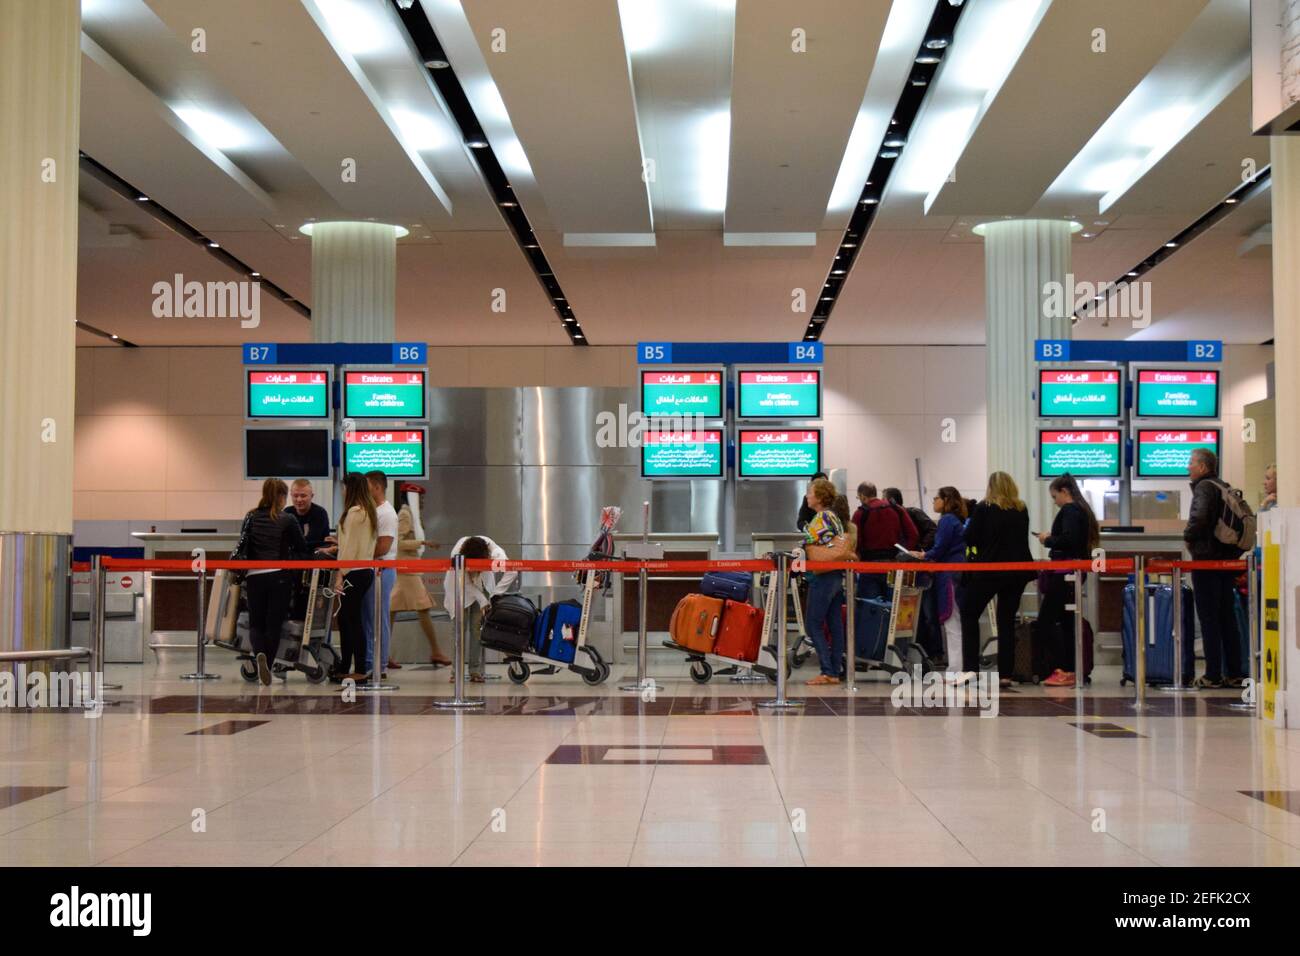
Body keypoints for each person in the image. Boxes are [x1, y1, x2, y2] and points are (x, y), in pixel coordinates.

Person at [959, 471, 1035, 688]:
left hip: (990, 570)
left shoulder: (985, 507)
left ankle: (971, 669)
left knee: (969, 612)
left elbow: (970, 537)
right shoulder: (1021, 509)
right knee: (1006, 620)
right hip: (1018, 571)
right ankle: (1006, 674)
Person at [239, 478, 313, 685]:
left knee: (256, 623)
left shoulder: (251, 516)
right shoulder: (287, 519)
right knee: (273, 625)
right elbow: (302, 547)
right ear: (281, 496)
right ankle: (268, 667)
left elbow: (243, 544)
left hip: (254, 576)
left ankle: (259, 654)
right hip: (279, 576)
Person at [1184, 448, 1246, 689]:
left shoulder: (1204, 487)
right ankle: (1234, 672)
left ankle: (1213, 674)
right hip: (1226, 560)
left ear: (1202, 467)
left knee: (1209, 618)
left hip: (1207, 560)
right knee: (1226, 616)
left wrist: (1188, 537)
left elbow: (1199, 519)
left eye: (1191, 463)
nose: (1188, 467)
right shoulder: (1222, 485)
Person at [1034, 474, 1099, 688]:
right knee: (1068, 622)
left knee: (1046, 620)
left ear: (1064, 491)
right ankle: (1071, 668)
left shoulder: (1070, 511)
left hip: (1065, 572)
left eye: (1055, 496)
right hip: (1073, 573)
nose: (1054, 501)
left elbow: (1068, 539)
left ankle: (1063, 668)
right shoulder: (1082, 511)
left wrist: (1048, 539)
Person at [907, 487, 966, 681]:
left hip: (950, 574)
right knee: (955, 621)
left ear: (946, 500)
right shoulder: (957, 520)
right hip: (956, 571)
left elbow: (940, 547)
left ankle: (955, 668)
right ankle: (956, 666)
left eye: (936, 498)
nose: (933, 502)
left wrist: (925, 555)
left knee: (951, 621)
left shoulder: (947, 520)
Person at [389, 483, 451, 666]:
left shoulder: (410, 514)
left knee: (392, 611)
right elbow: (398, 543)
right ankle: (436, 652)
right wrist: (423, 542)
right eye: (420, 498)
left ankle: (383, 654)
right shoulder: (405, 515)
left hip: (409, 569)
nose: (423, 501)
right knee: (422, 608)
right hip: (405, 570)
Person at [325, 472, 377, 681]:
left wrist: (339, 573)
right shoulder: (368, 512)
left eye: (345, 487)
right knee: (349, 619)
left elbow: (349, 548)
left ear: (351, 489)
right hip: (364, 571)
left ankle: (358, 668)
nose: (343, 491)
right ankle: (348, 666)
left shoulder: (354, 514)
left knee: (350, 621)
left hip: (352, 572)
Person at [444, 534, 517, 682]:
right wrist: (482, 599)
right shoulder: (457, 554)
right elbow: (463, 583)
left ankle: (475, 671)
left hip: (483, 585)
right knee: (459, 629)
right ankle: (455, 672)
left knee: (477, 629)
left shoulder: (496, 553)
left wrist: (496, 594)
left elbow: (512, 571)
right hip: (458, 587)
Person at [801, 477, 851, 686]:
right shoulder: (834, 516)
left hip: (823, 576)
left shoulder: (821, 518)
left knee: (813, 623)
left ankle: (827, 670)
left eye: (811, 493)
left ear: (820, 497)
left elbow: (810, 542)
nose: (807, 496)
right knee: (834, 624)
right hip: (836, 575)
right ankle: (835, 671)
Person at [361, 471, 399, 677]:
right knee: (368, 616)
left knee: (377, 616)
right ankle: (369, 660)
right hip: (371, 569)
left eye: (366, 486)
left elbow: (383, 547)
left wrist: (357, 550)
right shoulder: (372, 511)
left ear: (377, 487)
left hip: (382, 570)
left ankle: (379, 662)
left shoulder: (386, 513)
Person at [852, 482, 916, 601]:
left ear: (862, 496)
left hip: (869, 567)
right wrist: (903, 554)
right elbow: (913, 534)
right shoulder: (896, 509)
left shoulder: (860, 513)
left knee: (869, 609)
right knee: (893, 610)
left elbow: (856, 542)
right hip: (893, 566)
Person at [886, 487, 936, 551]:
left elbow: (933, 530)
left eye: (883, 500)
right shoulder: (892, 518)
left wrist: (921, 547)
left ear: (892, 500)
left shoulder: (914, 512)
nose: (882, 503)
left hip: (920, 556)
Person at [288, 479, 330, 551]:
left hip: (314, 557)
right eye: (295, 496)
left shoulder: (320, 513)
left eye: (303, 496)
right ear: (291, 495)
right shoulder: (287, 512)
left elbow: (312, 541)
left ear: (312, 496)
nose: (299, 500)